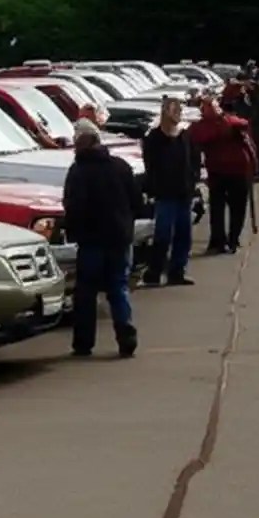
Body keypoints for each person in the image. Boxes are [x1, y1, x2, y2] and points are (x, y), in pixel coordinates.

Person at [63, 119, 142, 359]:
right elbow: (136, 202)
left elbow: (73, 207)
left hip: (91, 241)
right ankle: (126, 334)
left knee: (86, 291)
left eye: (77, 141)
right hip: (119, 237)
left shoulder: (78, 172)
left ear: (85, 142)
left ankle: (84, 343)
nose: (74, 146)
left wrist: (73, 232)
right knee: (118, 286)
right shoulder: (120, 166)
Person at [141, 97, 199, 286]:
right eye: (174, 111)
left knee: (184, 234)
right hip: (165, 195)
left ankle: (177, 271)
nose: (178, 114)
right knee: (163, 235)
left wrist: (193, 183)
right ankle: (154, 271)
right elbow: (151, 167)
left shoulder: (184, 136)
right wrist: (154, 189)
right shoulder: (154, 139)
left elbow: (193, 161)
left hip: (184, 193)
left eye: (179, 111)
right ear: (164, 112)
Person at [188, 99, 255, 254]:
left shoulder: (201, 127)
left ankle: (220, 240)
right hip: (235, 170)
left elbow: (196, 136)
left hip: (218, 171)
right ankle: (232, 240)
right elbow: (243, 123)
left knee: (218, 208)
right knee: (236, 208)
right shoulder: (230, 123)